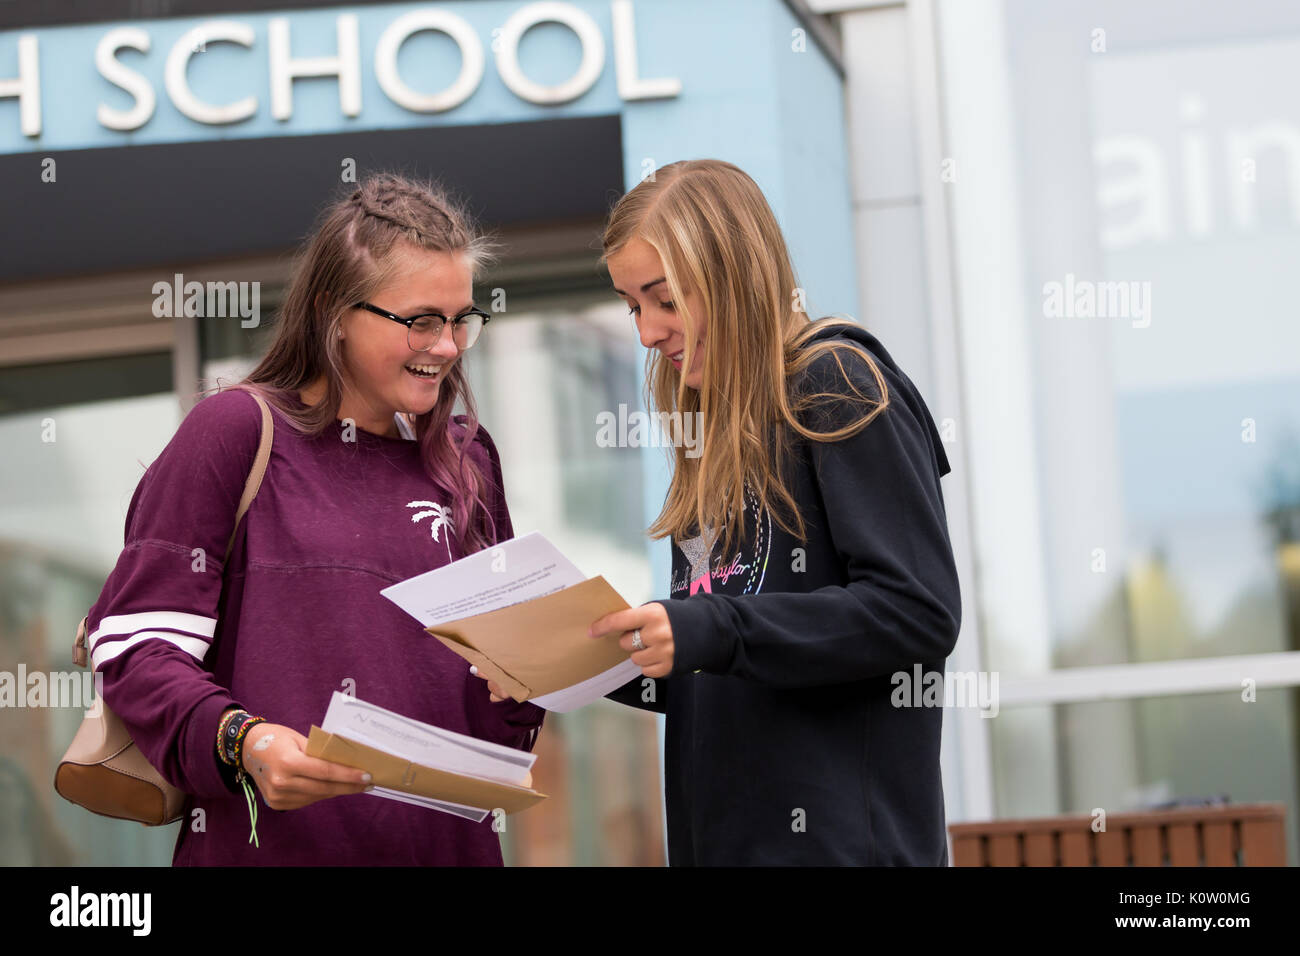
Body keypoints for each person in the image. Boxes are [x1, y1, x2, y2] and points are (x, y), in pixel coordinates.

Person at [487, 158, 960, 865]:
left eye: (665, 299)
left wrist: (710, 628)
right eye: (631, 306)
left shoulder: (838, 382)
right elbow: (726, 673)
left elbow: (916, 612)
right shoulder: (713, 434)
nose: (647, 331)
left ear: (733, 277)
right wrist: (575, 661)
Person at [84, 173, 544, 865]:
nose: (447, 346)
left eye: (461, 320)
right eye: (420, 320)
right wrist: (246, 740)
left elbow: (495, 730)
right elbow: (135, 645)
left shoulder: (468, 459)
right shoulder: (235, 430)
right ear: (333, 311)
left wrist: (528, 680)